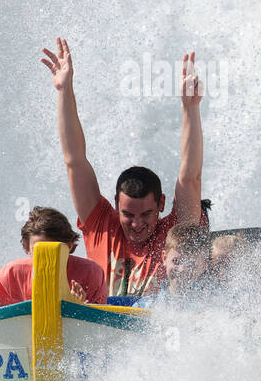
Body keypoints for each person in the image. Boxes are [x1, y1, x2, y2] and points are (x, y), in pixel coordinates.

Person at [41, 37, 207, 298]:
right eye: (128, 214)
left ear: (161, 204)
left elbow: (190, 177)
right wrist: (64, 91)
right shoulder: (102, 225)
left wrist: (190, 109)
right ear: (116, 205)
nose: (137, 224)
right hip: (100, 330)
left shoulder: (174, 233)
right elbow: (74, 159)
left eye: (146, 214)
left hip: (154, 331)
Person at [0, 206, 108, 307]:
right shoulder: (10, 274)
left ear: (69, 246)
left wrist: (80, 309)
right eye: (38, 251)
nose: (46, 259)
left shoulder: (91, 273)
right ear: (26, 248)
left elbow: (101, 328)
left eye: (53, 250)